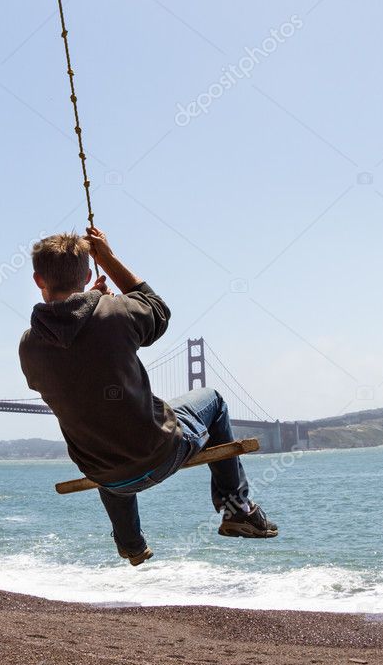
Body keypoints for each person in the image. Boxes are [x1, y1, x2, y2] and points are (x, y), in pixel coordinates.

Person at [18, 226, 277, 566]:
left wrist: (89, 305)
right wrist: (107, 259)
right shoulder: (117, 313)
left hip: (109, 478)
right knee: (213, 399)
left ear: (38, 279)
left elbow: (79, 364)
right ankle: (237, 508)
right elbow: (158, 309)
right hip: (162, 455)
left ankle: (131, 543)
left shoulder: (28, 347)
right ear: (87, 274)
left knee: (96, 429)